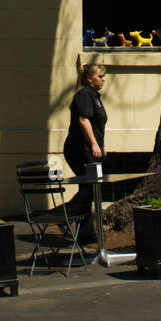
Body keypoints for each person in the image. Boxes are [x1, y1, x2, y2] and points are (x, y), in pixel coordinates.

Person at [63, 63, 108, 220]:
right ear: (90, 79)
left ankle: (85, 232)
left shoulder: (94, 96)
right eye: (100, 76)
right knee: (90, 187)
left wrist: (101, 146)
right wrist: (95, 144)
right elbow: (83, 120)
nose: (103, 80)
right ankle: (64, 215)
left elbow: (97, 126)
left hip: (91, 149)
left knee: (90, 188)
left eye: (104, 77)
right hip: (79, 149)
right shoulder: (84, 95)